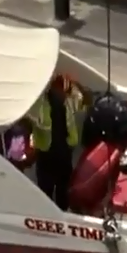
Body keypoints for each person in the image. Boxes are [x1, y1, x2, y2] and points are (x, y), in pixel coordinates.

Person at [29, 74, 83, 211]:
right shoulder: (41, 104)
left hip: (64, 153)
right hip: (46, 154)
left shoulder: (68, 102)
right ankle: (46, 212)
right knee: (45, 191)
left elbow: (81, 99)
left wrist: (73, 85)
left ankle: (61, 212)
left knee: (63, 190)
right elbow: (34, 116)